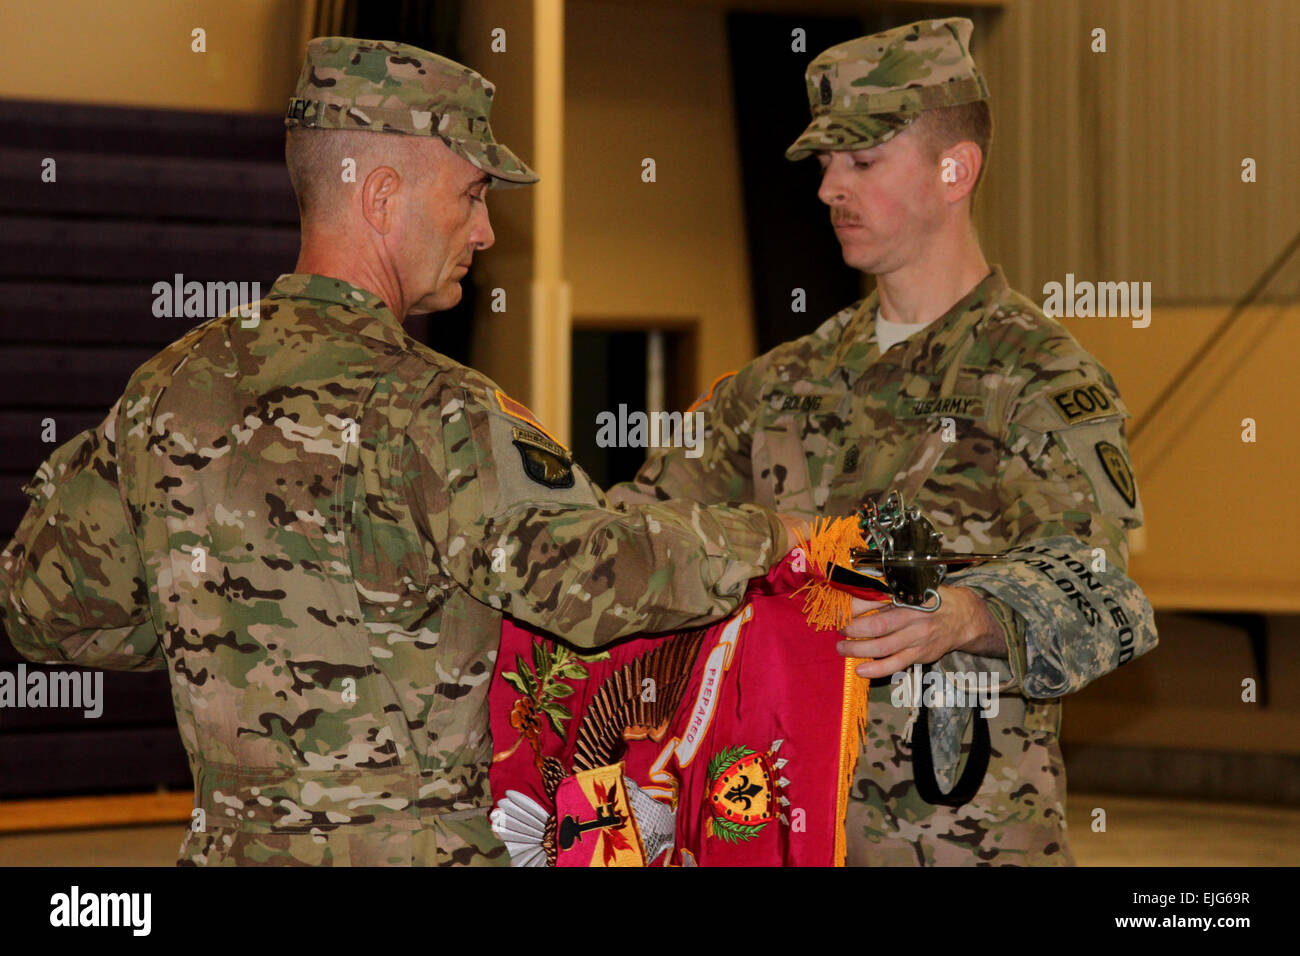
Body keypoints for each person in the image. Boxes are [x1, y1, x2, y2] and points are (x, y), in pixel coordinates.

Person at [0, 37, 800, 867]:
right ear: (381, 196)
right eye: (473, 194)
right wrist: (773, 538)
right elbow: (590, 582)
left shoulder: (162, 393)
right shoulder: (434, 407)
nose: (486, 230)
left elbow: (41, 611)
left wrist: (218, 629)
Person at [609, 18, 1157, 865]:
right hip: (777, 834)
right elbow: (632, 535)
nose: (831, 188)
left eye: (861, 162)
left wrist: (969, 615)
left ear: (955, 169)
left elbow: (1106, 593)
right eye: (825, 165)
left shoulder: (1039, 377)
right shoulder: (777, 383)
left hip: (957, 842)